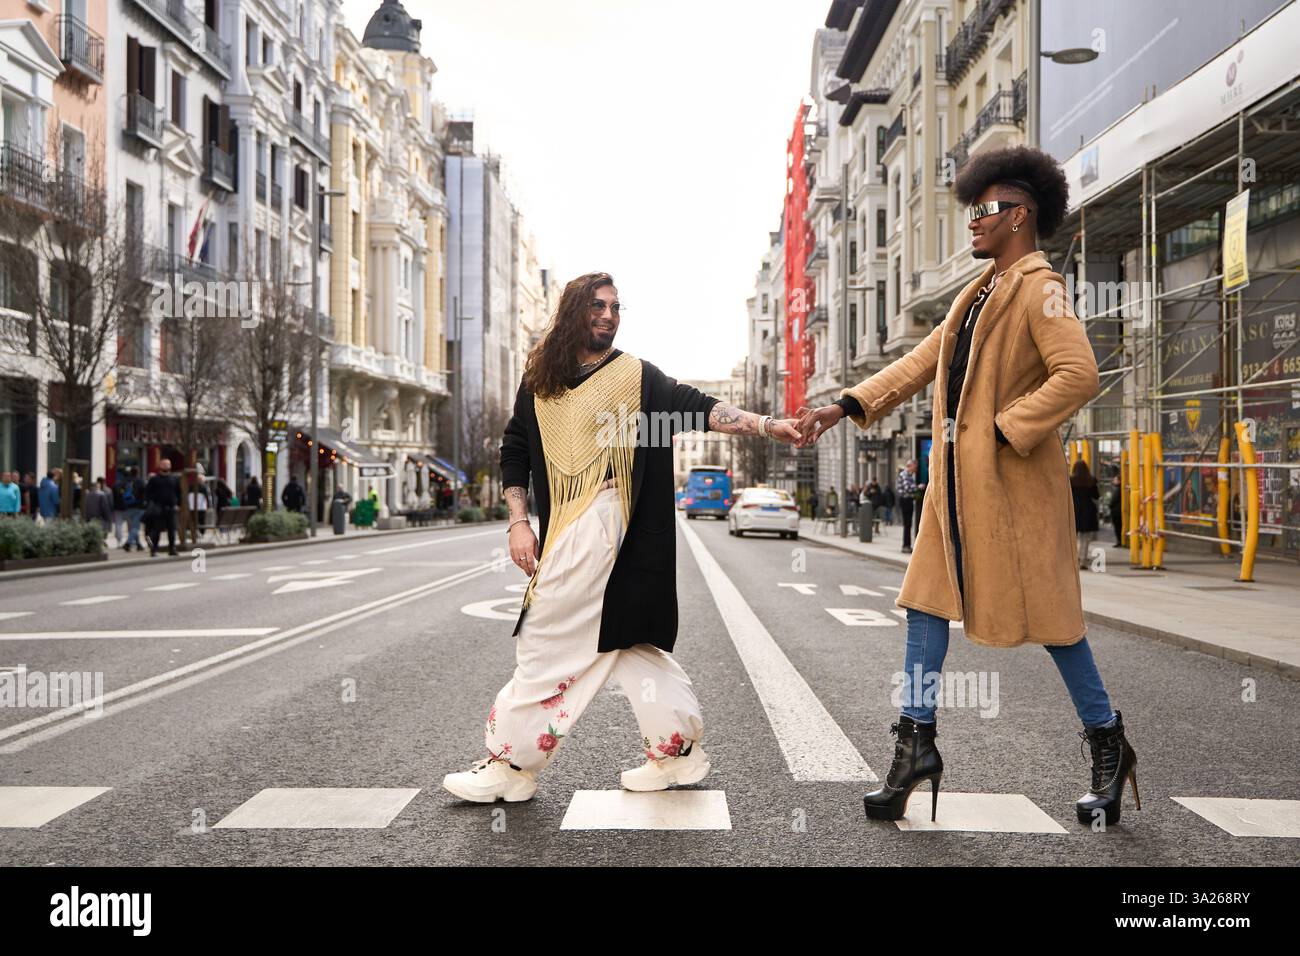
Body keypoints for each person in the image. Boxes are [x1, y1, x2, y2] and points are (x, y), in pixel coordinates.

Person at [796, 145, 1137, 828]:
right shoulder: (978, 292)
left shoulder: (1041, 286)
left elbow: (1079, 374)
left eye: (986, 210)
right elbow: (922, 362)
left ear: (1022, 215)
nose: (974, 222)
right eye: (975, 209)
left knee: (1057, 623)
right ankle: (914, 746)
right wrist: (846, 405)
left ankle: (1108, 744)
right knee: (924, 604)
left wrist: (1004, 432)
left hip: (1013, 492)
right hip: (953, 490)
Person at [442, 271, 799, 803]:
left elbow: (701, 407)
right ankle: (677, 754)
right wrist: (519, 521)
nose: (608, 315)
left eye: (615, 307)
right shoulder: (541, 378)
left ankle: (510, 765)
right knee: (628, 639)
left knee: (545, 639)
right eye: (597, 306)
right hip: (565, 522)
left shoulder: (636, 377)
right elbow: (514, 448)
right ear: (572, 313)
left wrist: (769, 425)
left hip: (612, 523)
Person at [143, 460, 180, 557]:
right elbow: (147, 493)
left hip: (171, 508)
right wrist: (151, 504)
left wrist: (178, 504)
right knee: (156, 530)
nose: (166, 466)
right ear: (159, 466)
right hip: (158, 508)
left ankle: (172, 549)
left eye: (168, 464)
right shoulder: (154, 479)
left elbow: (178, 492)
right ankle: (154, 550)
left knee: (172, 530)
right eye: (164, 464)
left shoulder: (174, 479)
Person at [1072, 460, 1101, 569]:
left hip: (1074, 510)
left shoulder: (1071, 480)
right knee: (1085, 538)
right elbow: (1096, 496)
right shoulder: (1091, 480)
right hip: (1088, 511)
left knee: (1072, 538)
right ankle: (1083, 560)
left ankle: (1074, 559)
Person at [896, 460, 918, 552]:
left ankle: (907, 545)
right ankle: (906, 546)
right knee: (907, 524)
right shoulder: (905, 475)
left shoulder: (907, 475)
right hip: (906, 501)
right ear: (910, 466)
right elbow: (907, 488)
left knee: (908, 525)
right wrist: (918, 487)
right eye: (915, 467)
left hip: (906, 500)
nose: (916, 469)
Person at [1109, 473, 1124, 548]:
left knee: (1118, 527)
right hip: (1119, 511)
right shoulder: (1121, 489)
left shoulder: (1117, 489)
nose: (1113, 481)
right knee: (1119, 527)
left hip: (1116, 511)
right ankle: (1120, 541)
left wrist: (1110, 505)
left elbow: (1113, 500)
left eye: (1115, 479)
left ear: (1119, 481)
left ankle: (1119, 541)